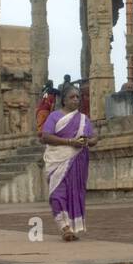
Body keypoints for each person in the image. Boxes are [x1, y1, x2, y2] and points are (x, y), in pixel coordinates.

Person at [39, 84, 97, 241]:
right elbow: (45, 136)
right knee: (57, 194)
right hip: (58, 160)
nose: (76, 100)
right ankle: (63, 227)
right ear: (63, 100)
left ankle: (71, 227)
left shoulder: (83, 119)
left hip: (78, 161)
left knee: (75, 193)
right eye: (72, 97)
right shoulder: (55, 117)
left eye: (78, 97)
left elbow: (94, 139)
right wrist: (70, 141)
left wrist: (86, 141)